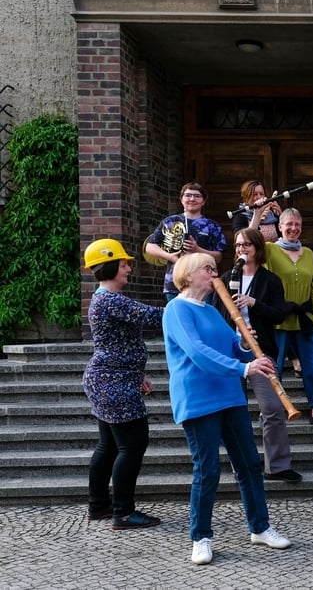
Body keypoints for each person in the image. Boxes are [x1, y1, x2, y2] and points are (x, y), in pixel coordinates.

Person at [162, 252, 291, 565]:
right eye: (207, 269)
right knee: (207, 471)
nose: (214, 274)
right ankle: (200, 537)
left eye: (213, 269)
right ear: (188, 274)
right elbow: (197, 352)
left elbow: (231, 347)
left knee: (248, 464)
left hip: (229, 397)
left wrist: (246, 347)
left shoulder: (211, 310)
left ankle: (260, 527)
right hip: (198, 400)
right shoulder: (176, 309)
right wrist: (245, 369)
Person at [81, 238, 163, 529]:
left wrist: (137, 374)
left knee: (109, 446)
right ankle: (123, 512)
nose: (129, 267)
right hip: (112, 382)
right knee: (133, 444)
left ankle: (99, 506)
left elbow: (120, 342)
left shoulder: (104, 299)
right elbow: (155, 316)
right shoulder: (110, 299)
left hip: (112, 379)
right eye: (124, 263)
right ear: (110, 265)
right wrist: (189, 299)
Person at [211, 228, 301, 483]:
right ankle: (239, 463)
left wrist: (254, 304)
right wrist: (236, 331)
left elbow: (279, 314)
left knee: (273, 408)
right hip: (231, 353)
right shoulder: (227, 278)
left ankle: (278, 465)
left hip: (261, 351)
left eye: (247, 245)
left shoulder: (270, 280)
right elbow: (216, 317)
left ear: (257, 248)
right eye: (239, 245)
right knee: (229, 409)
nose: (242, 249)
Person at [265, 208, 313, 429]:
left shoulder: (307, 252)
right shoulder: (269, 250)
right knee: (273, 366)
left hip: (305, 318)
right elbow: (247, 242)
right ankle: (274, 410)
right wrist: (259, 214)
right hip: (279, 318)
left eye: (297, 224)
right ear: (280, 226)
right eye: (289, 224)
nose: (293, 228)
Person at [145, 182, 226, 302]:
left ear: (203, 201)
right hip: (174, 282)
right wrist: (171, 257)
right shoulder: (170, 221)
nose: (192, 199)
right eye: (188, 195)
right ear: (181, 199)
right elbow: (150, 247)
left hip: (203, 283)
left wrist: (197, 250)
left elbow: (218, 257)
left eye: (197, 196)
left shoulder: (212, 226)